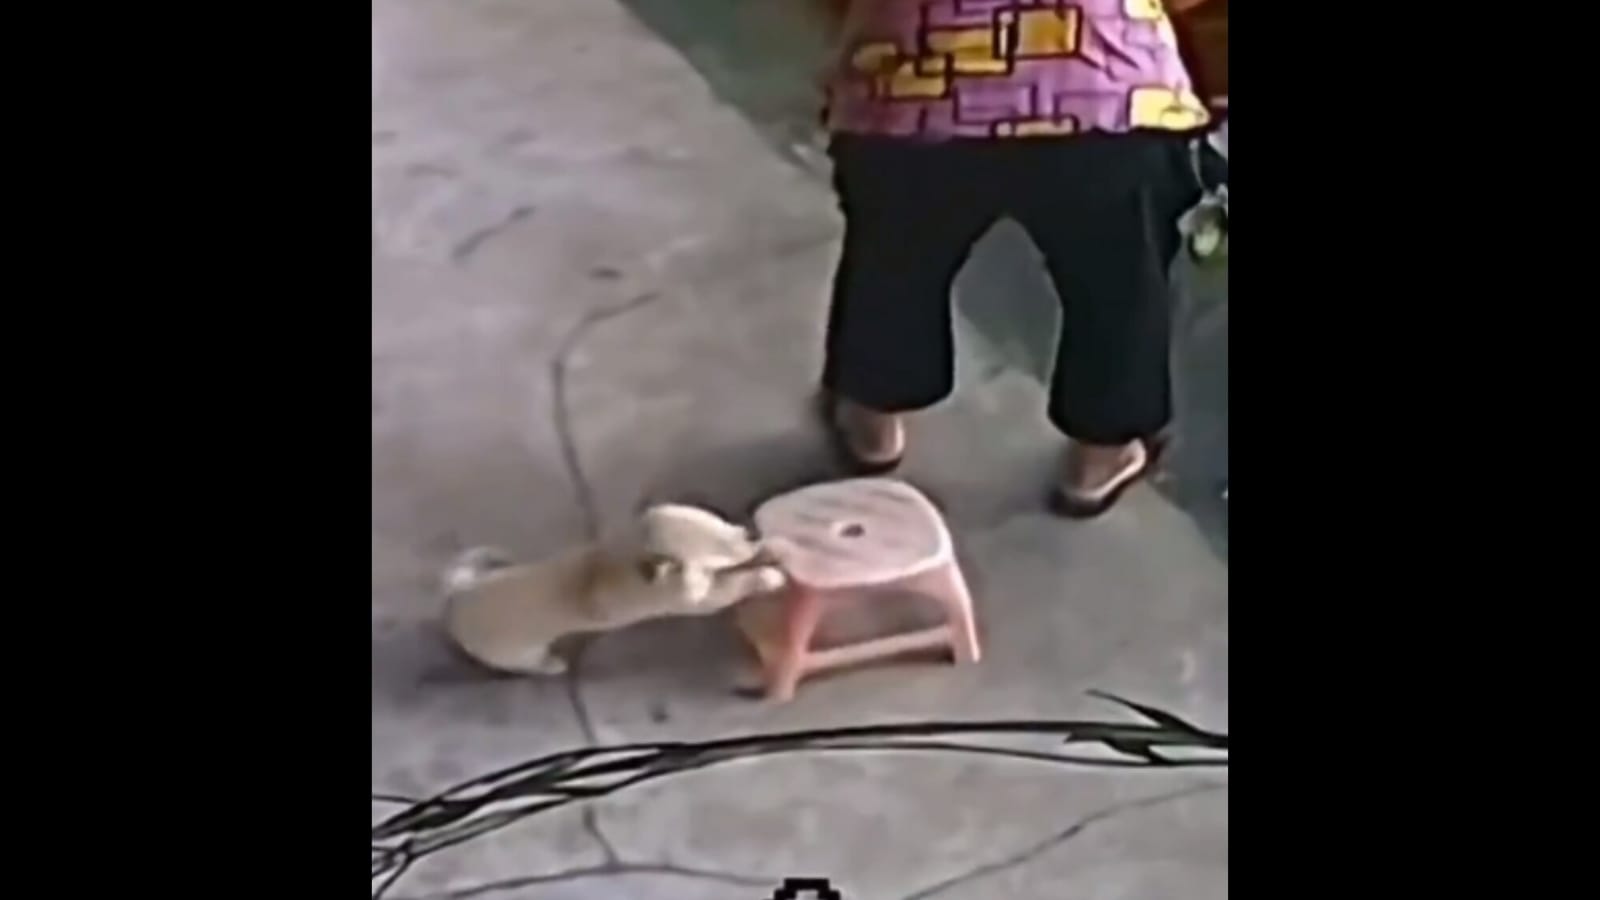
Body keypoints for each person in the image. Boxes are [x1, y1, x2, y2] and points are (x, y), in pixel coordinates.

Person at [810, 0, 1217, 517]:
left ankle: (872, 426)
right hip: (1105, 96)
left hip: (915, 87)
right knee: (1118, 286)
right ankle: (1098, 459)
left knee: (893, 268)